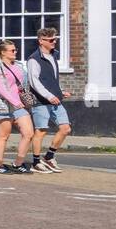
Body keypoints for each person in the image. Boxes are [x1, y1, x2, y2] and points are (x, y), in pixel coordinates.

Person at [27, 26, 71, 173]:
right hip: (41, 101)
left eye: (55, 39)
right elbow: (34, 82)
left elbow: (51, 79)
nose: (54, 42)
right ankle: (36, 162)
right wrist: (49, 96)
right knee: (41, 131)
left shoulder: (53, 56)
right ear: (41, 41)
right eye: (51, 40)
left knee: (65, 129)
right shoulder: (34, 59)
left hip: (55, 100)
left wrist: (59, 91)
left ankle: (49, 157)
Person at [0, 39, 34, 174]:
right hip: (2, 105)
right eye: (12, 50)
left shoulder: (20, 66)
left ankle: (18, 163)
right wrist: (15, 101)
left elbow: (27, 83)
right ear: (3, 52)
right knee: (4, 135)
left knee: (28, 134)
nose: (16, 52)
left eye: (16, 50)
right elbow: (0, 88)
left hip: (19, 105)